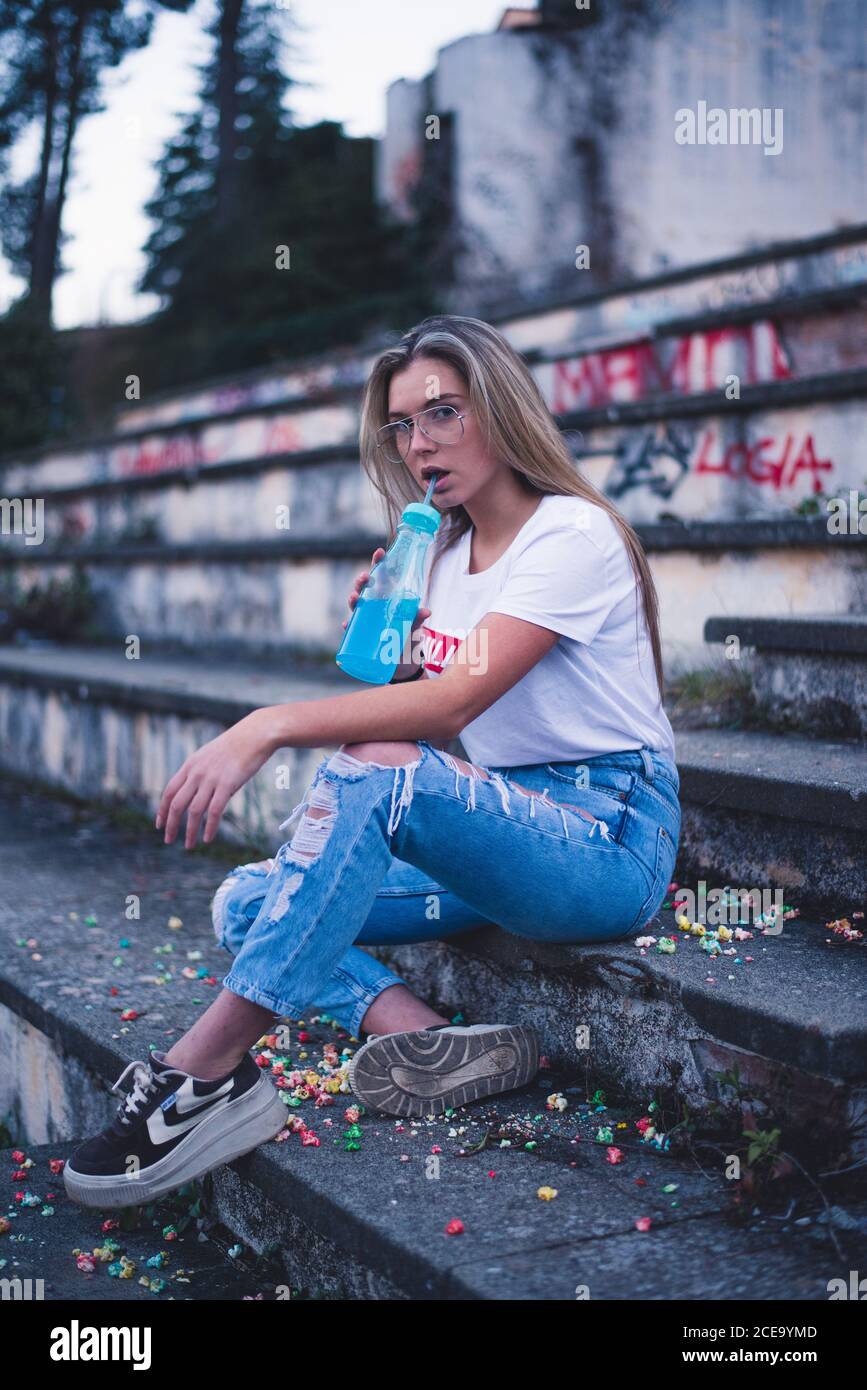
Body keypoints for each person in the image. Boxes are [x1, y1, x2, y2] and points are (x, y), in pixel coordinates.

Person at [63, 315, 680, 1209]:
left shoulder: (571, 535)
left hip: (605, 838)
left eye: (441, 413)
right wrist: (394, 645)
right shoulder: (444, 553)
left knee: (377, 761)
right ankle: (424, 1037)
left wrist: (267, 725)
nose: (417, 442)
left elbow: (452, 706)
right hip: (503, 822)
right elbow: (424, 693)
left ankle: (201, 1074)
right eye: (401, 424)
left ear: (500, 410)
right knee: (246, 898)